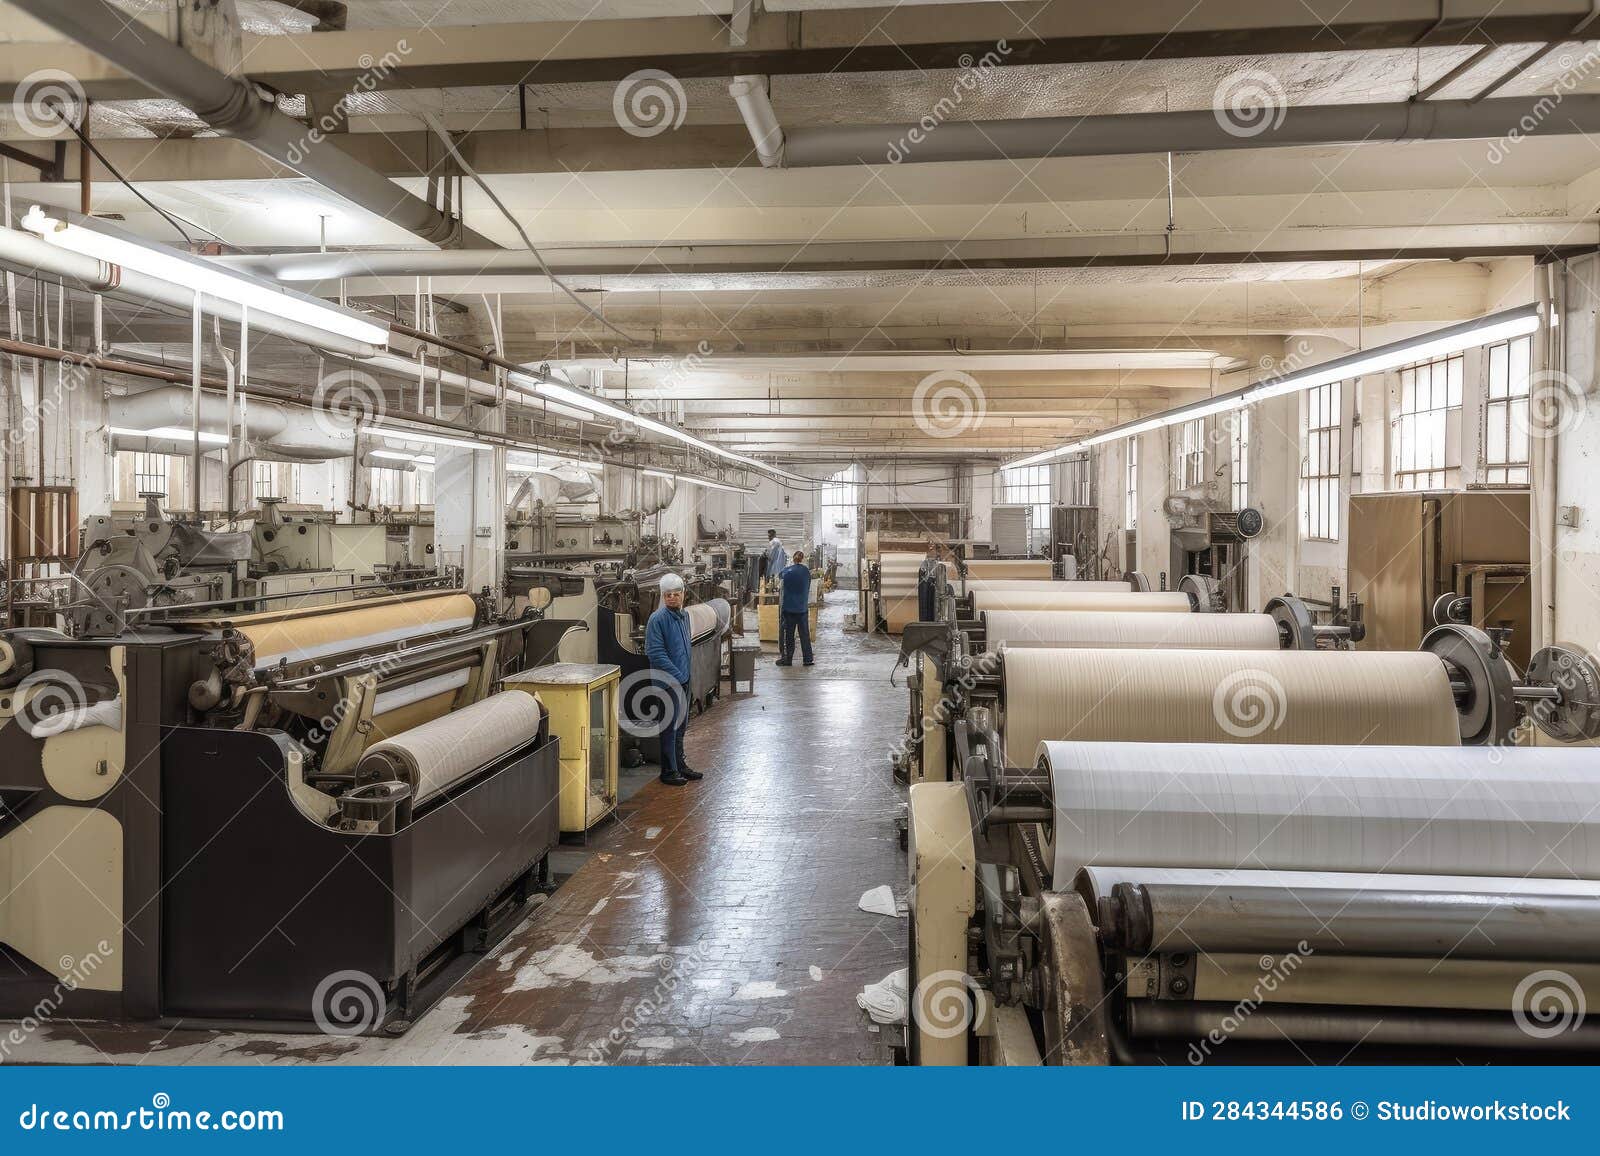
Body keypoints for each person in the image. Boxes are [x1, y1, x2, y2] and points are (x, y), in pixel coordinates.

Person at [643, 573, 702, 786]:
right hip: (667, 683)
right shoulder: (657, 619)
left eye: (676, 594)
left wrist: (687, 677)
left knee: (681, 725)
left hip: (683, 680)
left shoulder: (684, 616)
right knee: (669, 727)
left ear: (683, 594)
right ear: (663, 596)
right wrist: (678, 676)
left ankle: (680, 766)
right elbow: (656, 653)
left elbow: (685, 649)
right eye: (668, 595)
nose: (673, 598)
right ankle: (668, 771)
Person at [775, 550, 814, 667]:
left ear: (793, 558)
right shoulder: (806, 571)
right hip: (802, 608)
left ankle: (787, 659)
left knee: (789, 635)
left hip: (789, 608)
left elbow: (779, 576)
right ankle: (808, 659)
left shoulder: (787, 571)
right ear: (802, 559)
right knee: (804, 634)